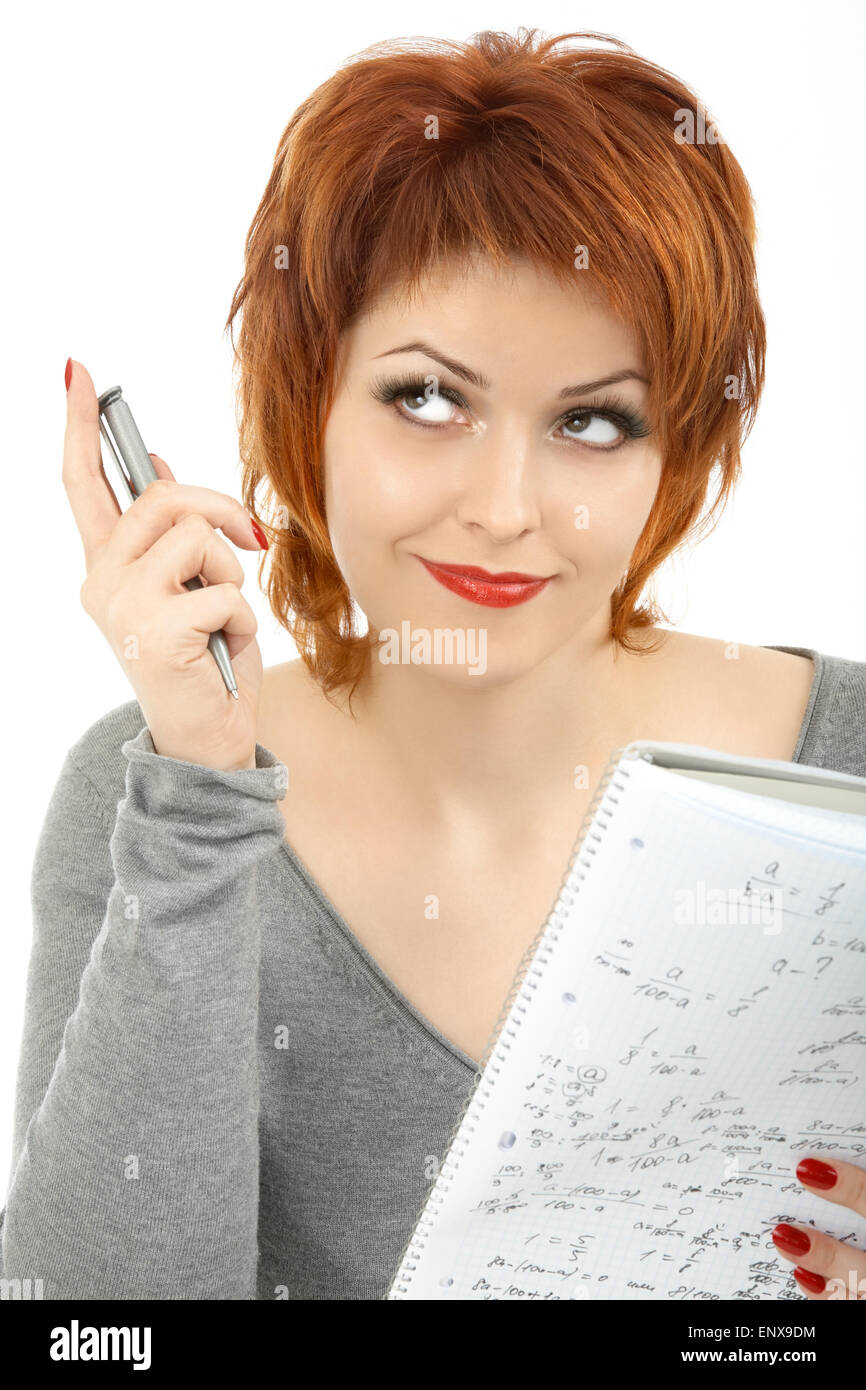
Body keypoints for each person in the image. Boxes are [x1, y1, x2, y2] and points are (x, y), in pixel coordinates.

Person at [2, 28, 864, 1302]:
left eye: (589, 419)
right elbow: (96, 1339)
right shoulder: (154, 794)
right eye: (426, 397)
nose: (503, 506)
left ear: (670, 455)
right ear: (310, 399)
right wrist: (198, 794)